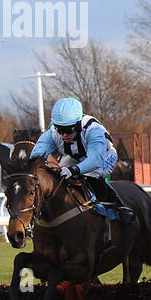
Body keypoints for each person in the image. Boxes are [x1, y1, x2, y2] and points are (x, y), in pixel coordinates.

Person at [29, 97, 134, 244]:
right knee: (57, 175)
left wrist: (75, 169)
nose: (64, 135)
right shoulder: (53, 132)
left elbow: (95, 159)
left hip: (103, 157)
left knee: (91, 175)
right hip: (75, 157)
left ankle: (120, 207)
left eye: (68, 130)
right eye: (60, 129)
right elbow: (36, 156)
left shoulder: (93, 130)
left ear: (78, 124)